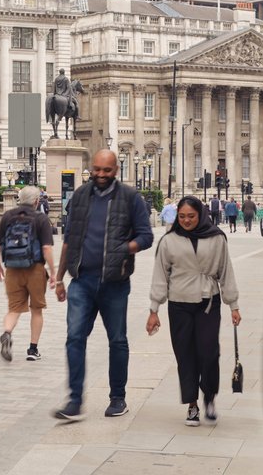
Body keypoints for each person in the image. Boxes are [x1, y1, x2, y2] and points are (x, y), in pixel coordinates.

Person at [53, 148, 154, 422]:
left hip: (114, 283)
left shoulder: (131, 198)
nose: (100, 174)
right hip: (82, 281)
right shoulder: (80, 196)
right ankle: (75, 400)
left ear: (116, 171)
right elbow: (70, 239)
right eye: (97, 169)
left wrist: (125, 248)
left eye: (106, 170)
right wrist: (59, 277)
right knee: (74, 337)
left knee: (117, 340)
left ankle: (117, 398)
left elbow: (146, 236)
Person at [147, 196, 242, 427]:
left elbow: (225, 271)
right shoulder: (169, 241)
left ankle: (209, 396)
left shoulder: (217, 238)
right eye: (182, 217)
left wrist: (234, 305)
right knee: (186, 355)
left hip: (208, 301)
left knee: (209, 353)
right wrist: (154, 309)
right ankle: (192, 404)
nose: (187, 220)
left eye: (191, 216)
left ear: (200, 214)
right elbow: (160, 275)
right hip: (179, 303)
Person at [0, 185, 56, 362]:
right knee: (36, 309)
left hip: (12, 268)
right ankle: (32, 349)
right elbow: (46, 248)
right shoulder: (41, 218)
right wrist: (52, 272)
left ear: (19, 199)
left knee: (14, 309)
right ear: (37, 201)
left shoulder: (8, 216)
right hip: (35, 269)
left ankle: (7, 333)